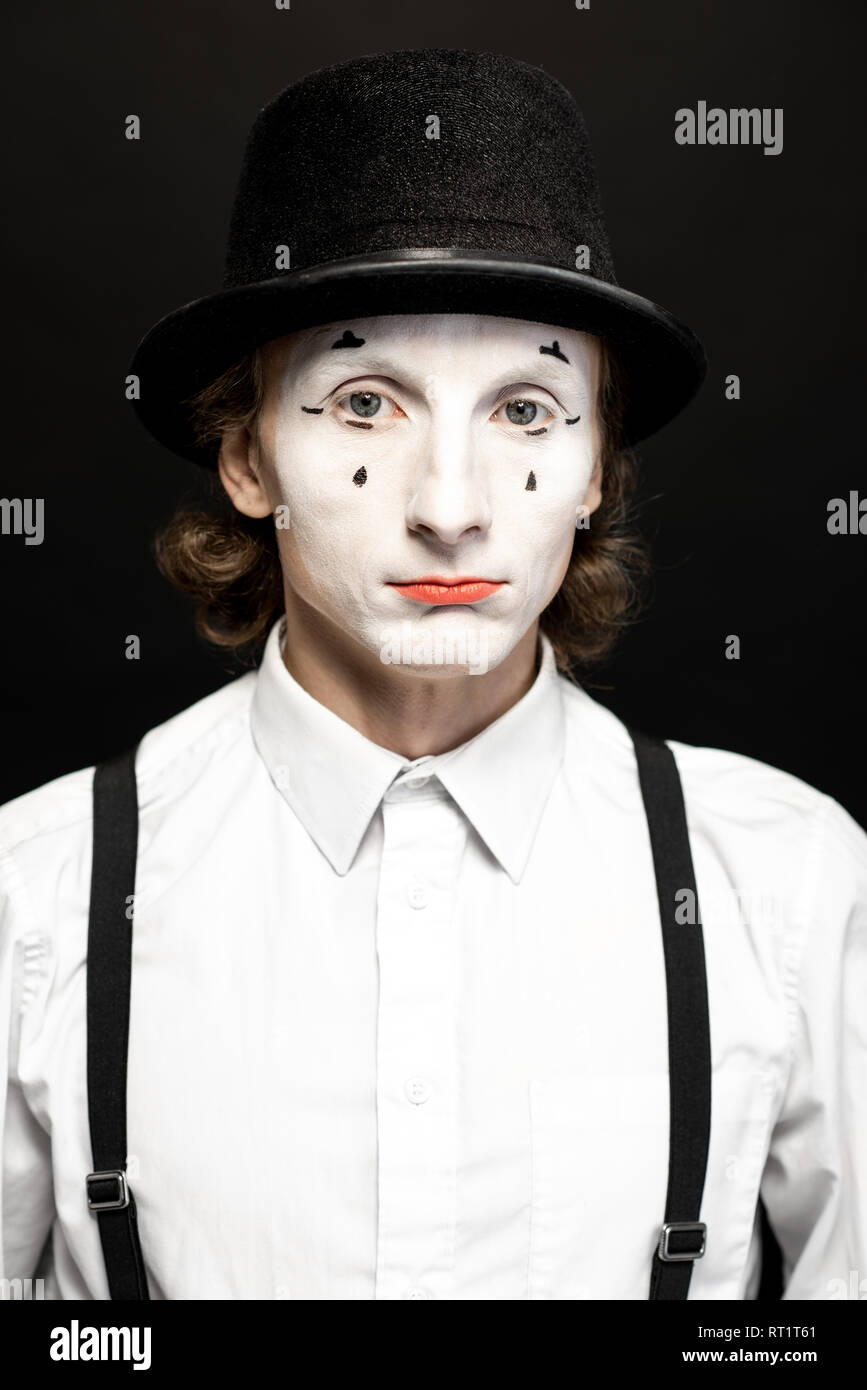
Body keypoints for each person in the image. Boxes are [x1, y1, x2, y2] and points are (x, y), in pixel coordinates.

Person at [1, 48, 864, 1303]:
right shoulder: (34, 897)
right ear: (247, 459)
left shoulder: (791, 882)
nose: (451, 509)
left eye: (524, 410)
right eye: (364, 402)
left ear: (598, 471)